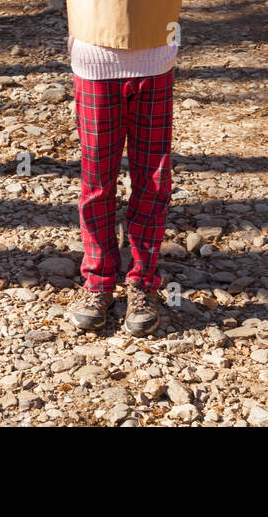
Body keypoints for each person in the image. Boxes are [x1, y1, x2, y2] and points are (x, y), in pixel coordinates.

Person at [68, 32, 177, 336]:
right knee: (97, 183)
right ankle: (98, 282)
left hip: (154, 62)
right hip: (94, 63)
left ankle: (143, 282)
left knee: (153, 181)